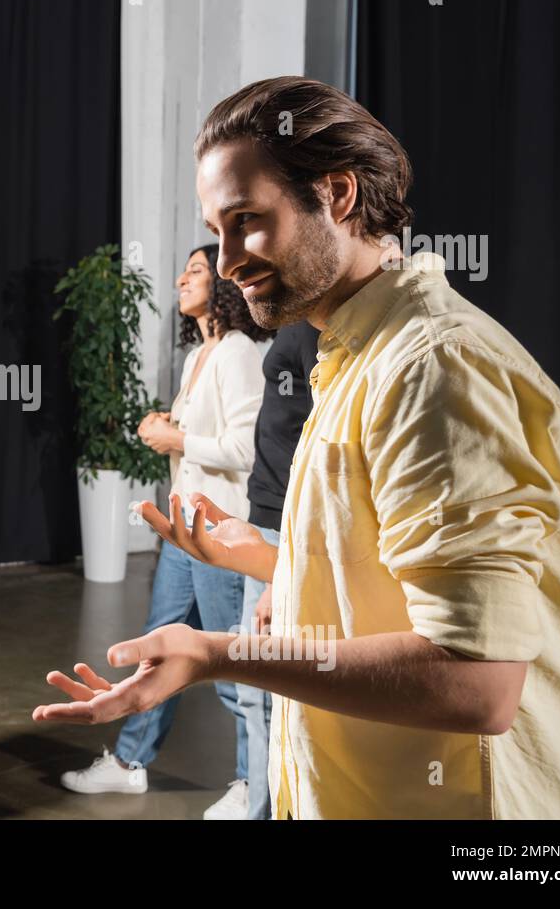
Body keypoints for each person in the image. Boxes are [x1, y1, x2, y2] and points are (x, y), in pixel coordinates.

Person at [34, 76, 560, 819]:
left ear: (336, 195)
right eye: (216, 229)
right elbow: (395, 585)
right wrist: (272, 562)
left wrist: (216, 654)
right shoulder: (354, 358)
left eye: (247, 220)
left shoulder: (434, 367)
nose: (227, 257)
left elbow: (479, 680)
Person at [59, 245, 271, 818]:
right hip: (182, 534)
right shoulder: (197, 356)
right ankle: (128, 766)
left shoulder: (238, 351)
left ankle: (253, 786)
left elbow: (246, 450)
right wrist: (168, 426)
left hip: (219, 537)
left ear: (223, 285)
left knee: (230, 665)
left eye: (197, 270)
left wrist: (177, 440)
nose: (182, 278)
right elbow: (203, 436)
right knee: (156, 652)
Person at [235, 319, 318, 819]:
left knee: (264, 693)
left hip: (284, 529)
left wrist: (282, 571)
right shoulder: (298, 323)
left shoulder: (316, 326)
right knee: (256, 693)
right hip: (267, 521)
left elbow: (322, 448)